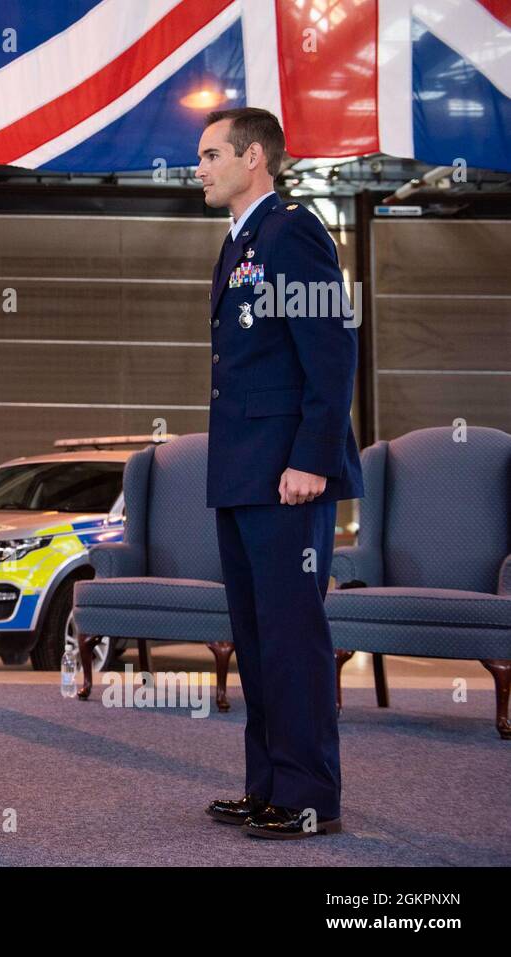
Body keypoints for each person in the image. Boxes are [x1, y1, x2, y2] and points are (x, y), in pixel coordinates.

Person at [195, 107, 363, 839]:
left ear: (253, 156)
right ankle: (267, 783)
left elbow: (330, 353)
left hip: (288, 472)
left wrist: (310, 458)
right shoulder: (240, 242)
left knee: (293, 636)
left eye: (209, 154)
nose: (197, 167)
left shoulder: (293, 230)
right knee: (258, 634)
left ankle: (308, 795)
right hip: (242, 472)